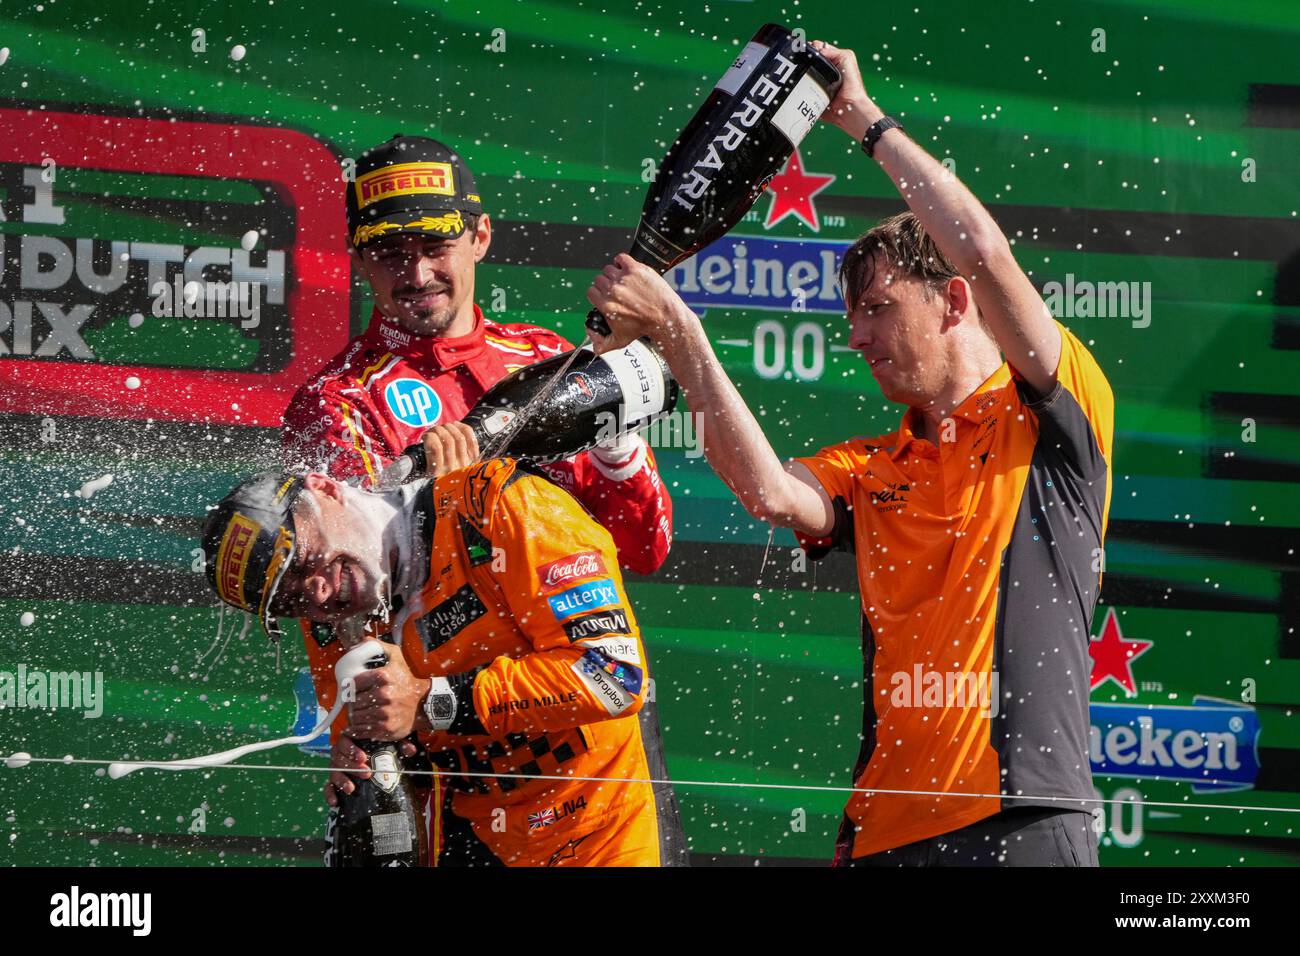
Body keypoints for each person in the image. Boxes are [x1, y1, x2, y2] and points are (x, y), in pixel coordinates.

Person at [585, 39, 1113, 866]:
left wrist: (860, 118)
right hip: (883, 832)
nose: (856, 336)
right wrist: (678, 332)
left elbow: (982, 248)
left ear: (953, 304)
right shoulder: (872, 465)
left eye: (876, 309)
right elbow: (766, 489)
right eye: (852, 316)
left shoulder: (1051, 419)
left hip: (1022, 819)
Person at [278, 134, 682, 862]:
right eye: (392, 252)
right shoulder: (335, 404)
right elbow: (335, 596)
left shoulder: (548, 361)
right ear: (359, 258)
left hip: (590, 737)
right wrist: (353, 718)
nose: (419, 272)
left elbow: (643, 548)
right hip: (457, 755)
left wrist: (615, 445)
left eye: (437, 244)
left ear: (482, 235)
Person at [201, 458, 684, 866]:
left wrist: (431, 700)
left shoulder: (499, 503)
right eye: (288, 603)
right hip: (475, 844)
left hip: (604, 835)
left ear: (325, 488)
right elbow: (390, 759)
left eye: (300, 560)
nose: (316, 593)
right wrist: (363, 767)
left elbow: (615, 677)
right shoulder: (329, 617)